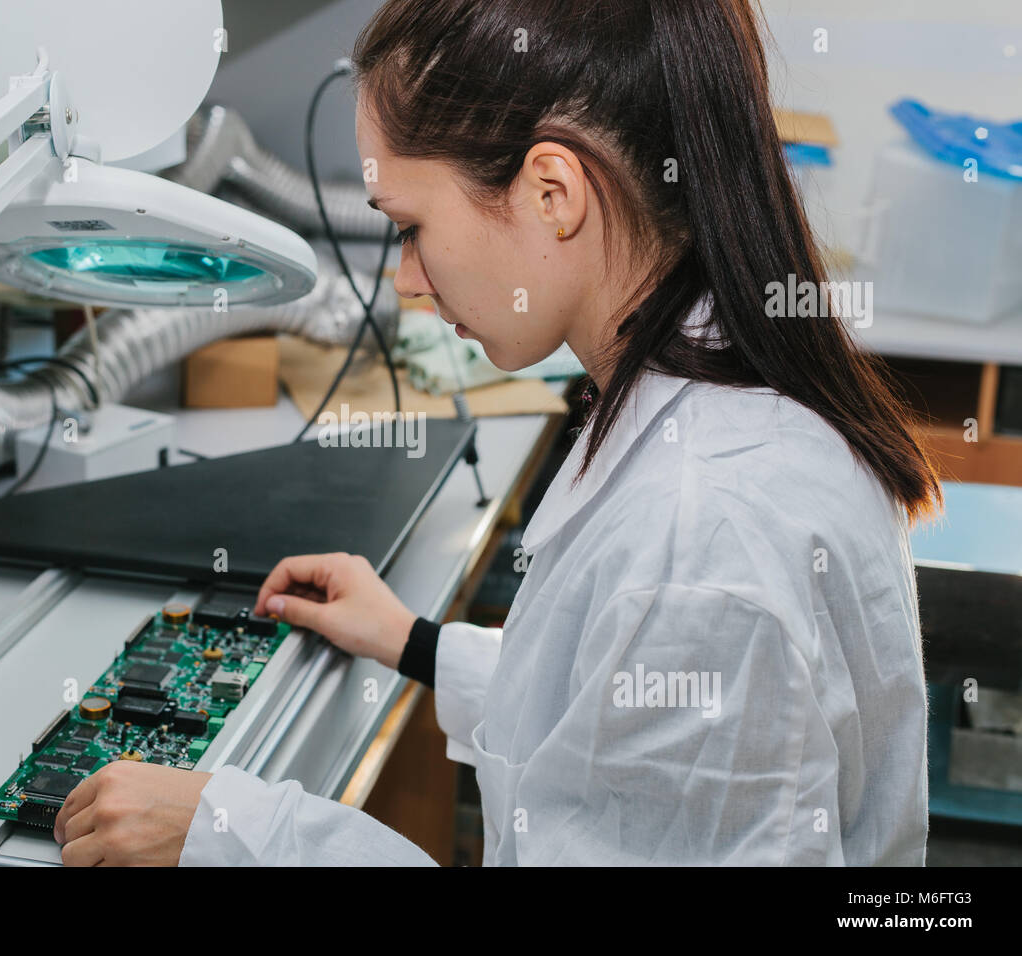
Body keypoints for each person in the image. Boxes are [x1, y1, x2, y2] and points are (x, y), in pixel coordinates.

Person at [53, 0, 941, 866]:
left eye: (410, 228)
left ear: (552, 192)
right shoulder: (707, 407)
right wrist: (417, 644)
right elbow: (616, 711)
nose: (405, 279)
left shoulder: (701, 535)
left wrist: (231, 832)